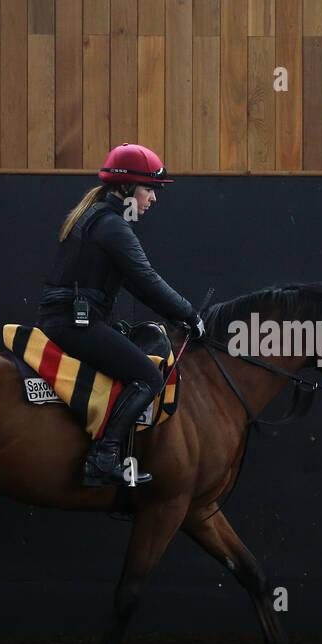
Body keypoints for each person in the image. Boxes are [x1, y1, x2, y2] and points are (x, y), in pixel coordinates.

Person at [37, 143, 204, 487]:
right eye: (149, 189)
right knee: (149, 377)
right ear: (126, 188)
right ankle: (102, 458)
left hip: (68, 319)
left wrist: (179, 317)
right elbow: (148, 279)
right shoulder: (112, 227)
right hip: (75, 325)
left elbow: (137, 286)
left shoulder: (98, 217)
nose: (153, 199)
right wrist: (190, 313)